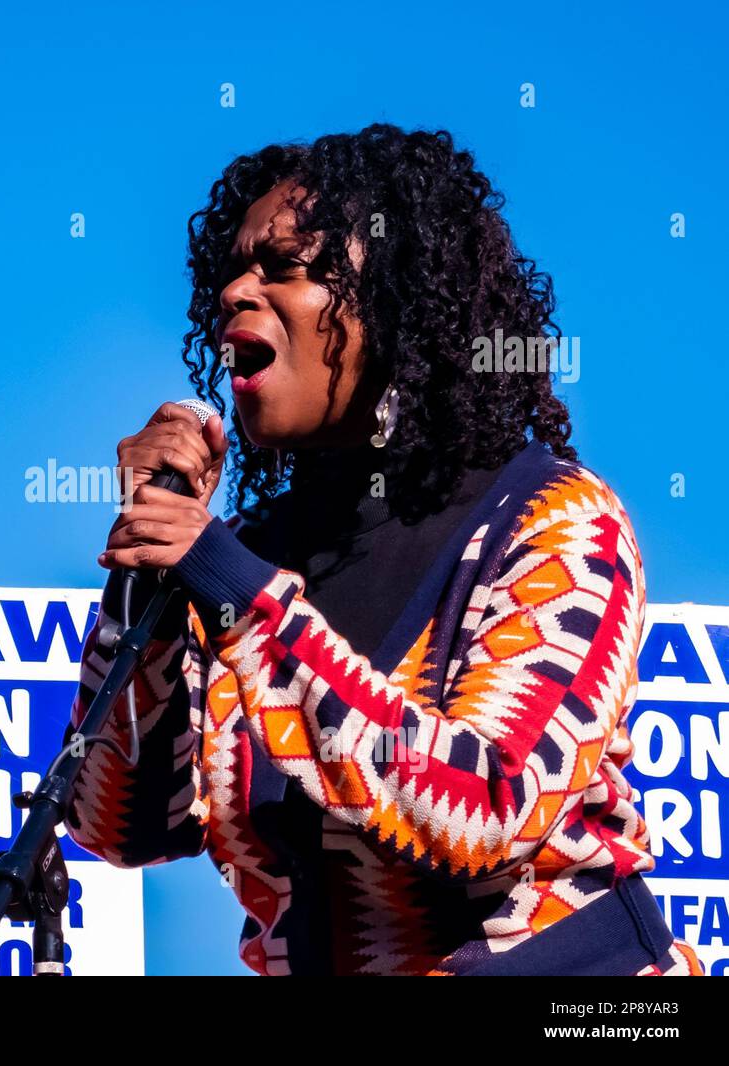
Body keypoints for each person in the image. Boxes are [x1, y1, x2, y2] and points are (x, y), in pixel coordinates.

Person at [63, 124, 702, 976]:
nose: (234, 293)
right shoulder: (245, 554)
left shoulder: (555, 520)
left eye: (284, 267)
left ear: (395, 306)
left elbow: (486, 803)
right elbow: (119, 827)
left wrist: (240, 596)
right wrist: (145, 584)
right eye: (232, 271)